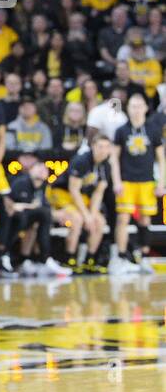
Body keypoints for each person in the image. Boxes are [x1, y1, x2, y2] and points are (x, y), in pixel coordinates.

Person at [109, 93, 162, 274]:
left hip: (147, 181)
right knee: (122, 219)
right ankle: (121, 257)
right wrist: (116, 181)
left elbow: (161, 158)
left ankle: (144, 257)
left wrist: (162, 182)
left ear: (146, 109)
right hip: (126, 181)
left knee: (145, 220)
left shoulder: (153, 129)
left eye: (140, 106)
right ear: (127, 108)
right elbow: (114, 158)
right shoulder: (121, 130)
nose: (136, 109)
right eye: (133, 105)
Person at [5, 157, 72, 277]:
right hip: (12, 220)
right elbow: (8, 203)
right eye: (39, 168)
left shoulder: (43, 187)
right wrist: (29, 207)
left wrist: (58, 215)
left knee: (40, 221)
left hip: (29, 221)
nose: (42, 170)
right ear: (30, 170)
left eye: (45, 169)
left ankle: (30, 260)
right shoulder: (21, 182)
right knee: (42, 215)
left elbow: (43, 207)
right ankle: (42, 259)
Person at [64, 133, 113, 273]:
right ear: (92, 147)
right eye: (100, 146)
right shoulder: (81, 160)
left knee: (99, 221)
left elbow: (98, 193)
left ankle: (89, 260)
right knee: (77, 219)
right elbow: (73, 190)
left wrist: (91, 215)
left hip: (83, 198)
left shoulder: (105, 166)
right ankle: (70, 259)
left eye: (107, 147)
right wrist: (86, 216)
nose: (103, 150)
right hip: (63, 195)